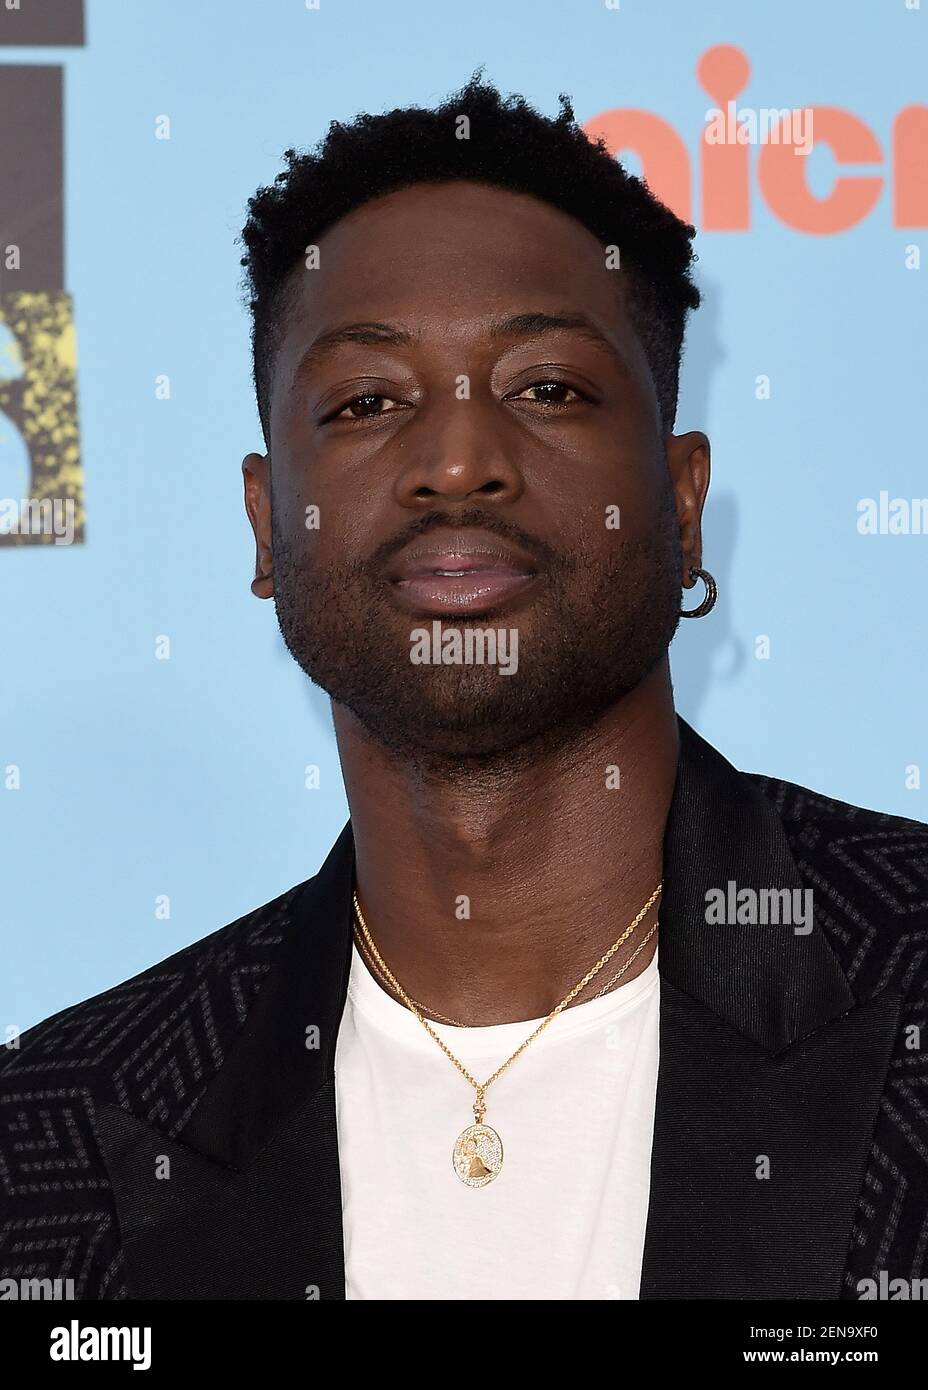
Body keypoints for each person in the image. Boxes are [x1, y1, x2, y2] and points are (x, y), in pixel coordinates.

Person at [2, 76, 926, 1302]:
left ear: (683, 501)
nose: (455, 461)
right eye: (368, 401)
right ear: (268, 525)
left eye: (545, 387)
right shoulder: (49, 1129)